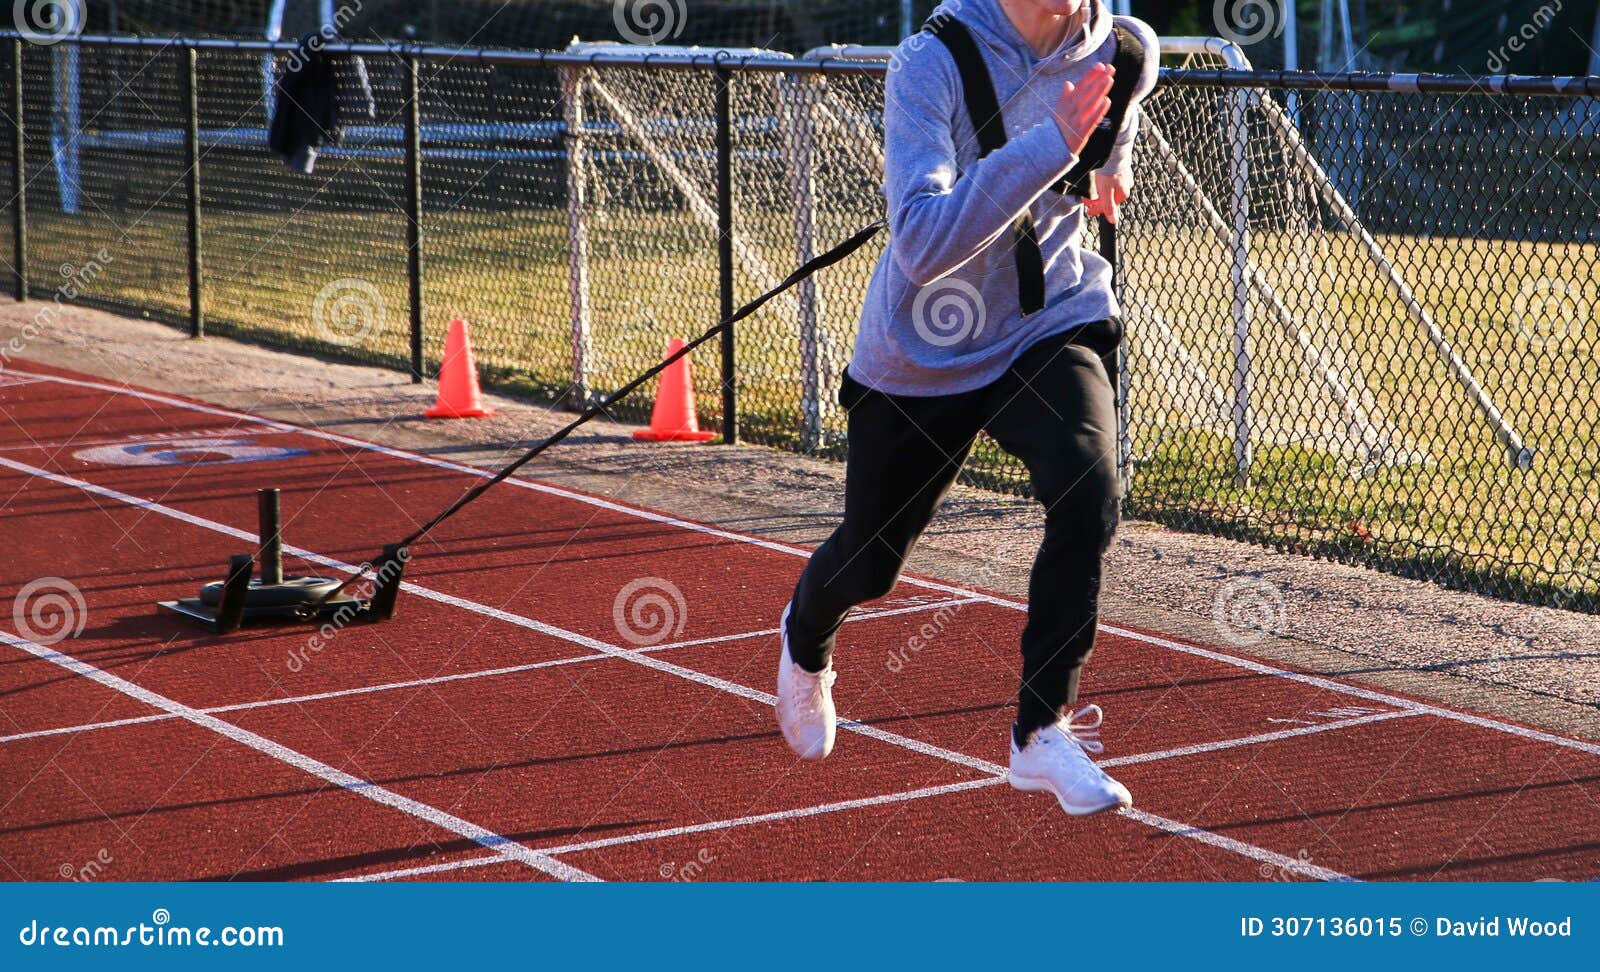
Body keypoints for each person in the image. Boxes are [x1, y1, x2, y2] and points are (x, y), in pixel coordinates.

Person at [774, 0, 1159, 816]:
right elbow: (919, 242)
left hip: (1046, 321)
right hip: (925, 349)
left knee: (1088, 484)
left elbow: (1113, 123)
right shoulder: (929, 63)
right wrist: (1049, 145)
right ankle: (805, 639)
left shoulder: (1123, 48)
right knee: (872, 562)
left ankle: (1040, 732)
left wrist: (1105, 163)